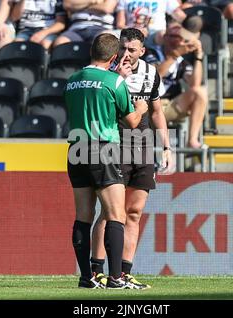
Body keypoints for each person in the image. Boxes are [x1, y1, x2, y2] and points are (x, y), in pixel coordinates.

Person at [90, 28, 173, 289]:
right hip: (113, 145)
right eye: (123, 48)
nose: (126, 54)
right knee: (109, 212)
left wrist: (167, 147)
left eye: (132, 50)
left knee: (134, 213)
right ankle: (97, 270)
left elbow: (157, 111)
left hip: (143, 147)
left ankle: (125, 273)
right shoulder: (108, 73)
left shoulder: (150, 73)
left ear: (142, 51)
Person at [64, 32, 148, 289]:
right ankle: (116, 277)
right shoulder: (114, 81)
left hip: (76, 149)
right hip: (102, 149)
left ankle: (86, 277)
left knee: (83, 216)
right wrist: (142, 108)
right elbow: (131, 121)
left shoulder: (72, 80)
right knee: (116, 215)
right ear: (113, 57)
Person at [144, 17, 207, 148]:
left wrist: (198, 56)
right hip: (151, 106)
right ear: (165, 37)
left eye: (179, 37)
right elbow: (155, 76)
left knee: (200, 92)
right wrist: (174, 55)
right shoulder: (152, 53)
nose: (175, 40)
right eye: (172, 36)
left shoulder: (181, 61)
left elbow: (194, 84)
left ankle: (192, 140)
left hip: (171, 105)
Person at [52, 0, 117, 47]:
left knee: (103, 40)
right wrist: (93, 1)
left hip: (102, 28)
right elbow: (67, 4)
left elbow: (107, 8)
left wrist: (79, 5)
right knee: (60, 42)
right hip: (76, 29)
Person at [115, 0, 186, 39]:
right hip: (131, 34)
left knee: (162, 34)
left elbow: (180, 16)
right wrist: (136, 31)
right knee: (107, 33)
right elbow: (120, 24)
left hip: (155, 35)